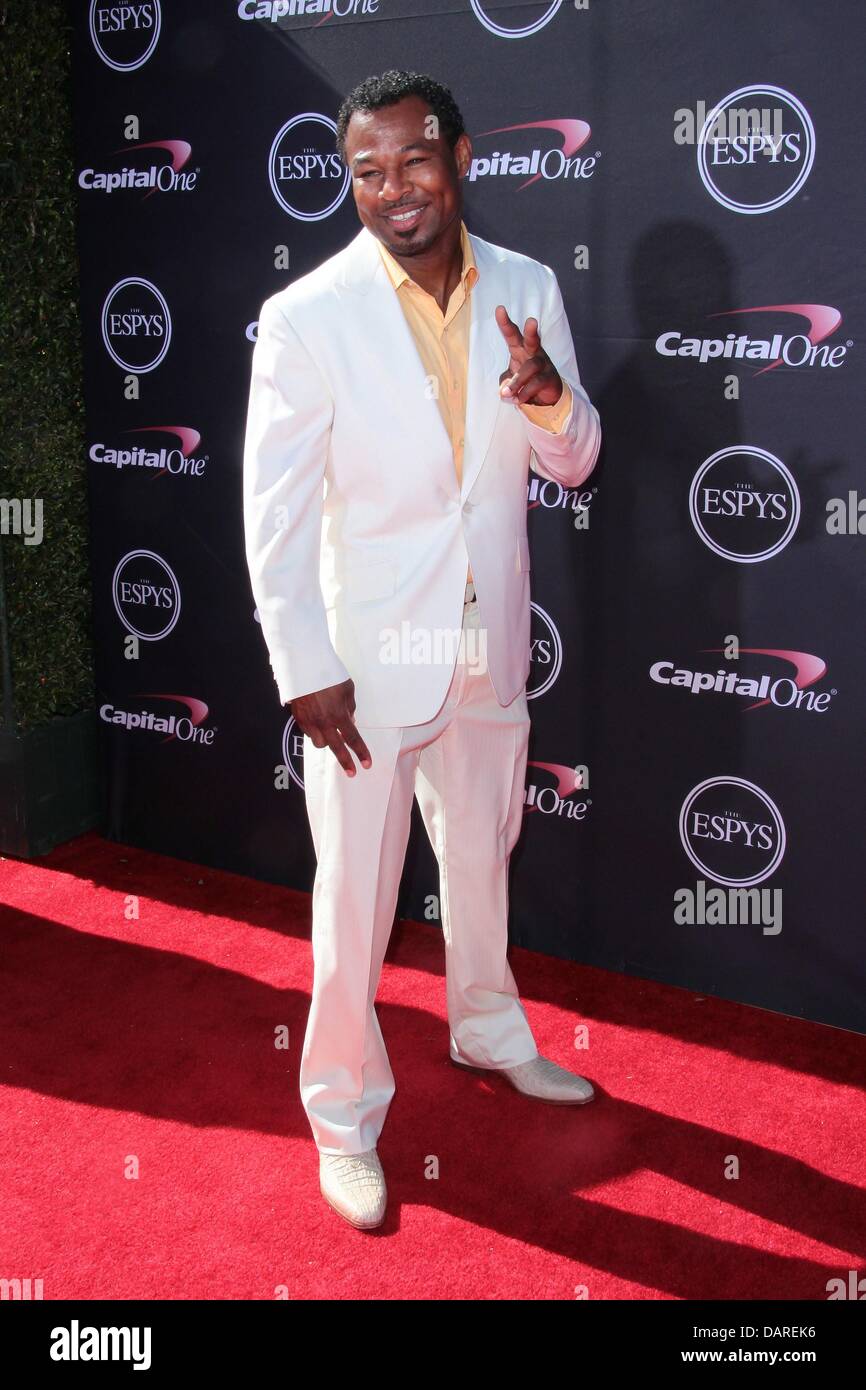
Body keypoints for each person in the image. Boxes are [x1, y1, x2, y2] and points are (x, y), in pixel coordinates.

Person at [243, 69, 602, 1231]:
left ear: (457, 158)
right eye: (365, 169)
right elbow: (275, 513)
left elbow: (574, 460)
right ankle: (342, 1118)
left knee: (481, 861)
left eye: (411, 160)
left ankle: (489, 1030)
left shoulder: (528, 285)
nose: (391, 188)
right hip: (367, 656)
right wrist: (301, 664)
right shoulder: (308, 315)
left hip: (486, 636)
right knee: (354, 898)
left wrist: (546, 397)